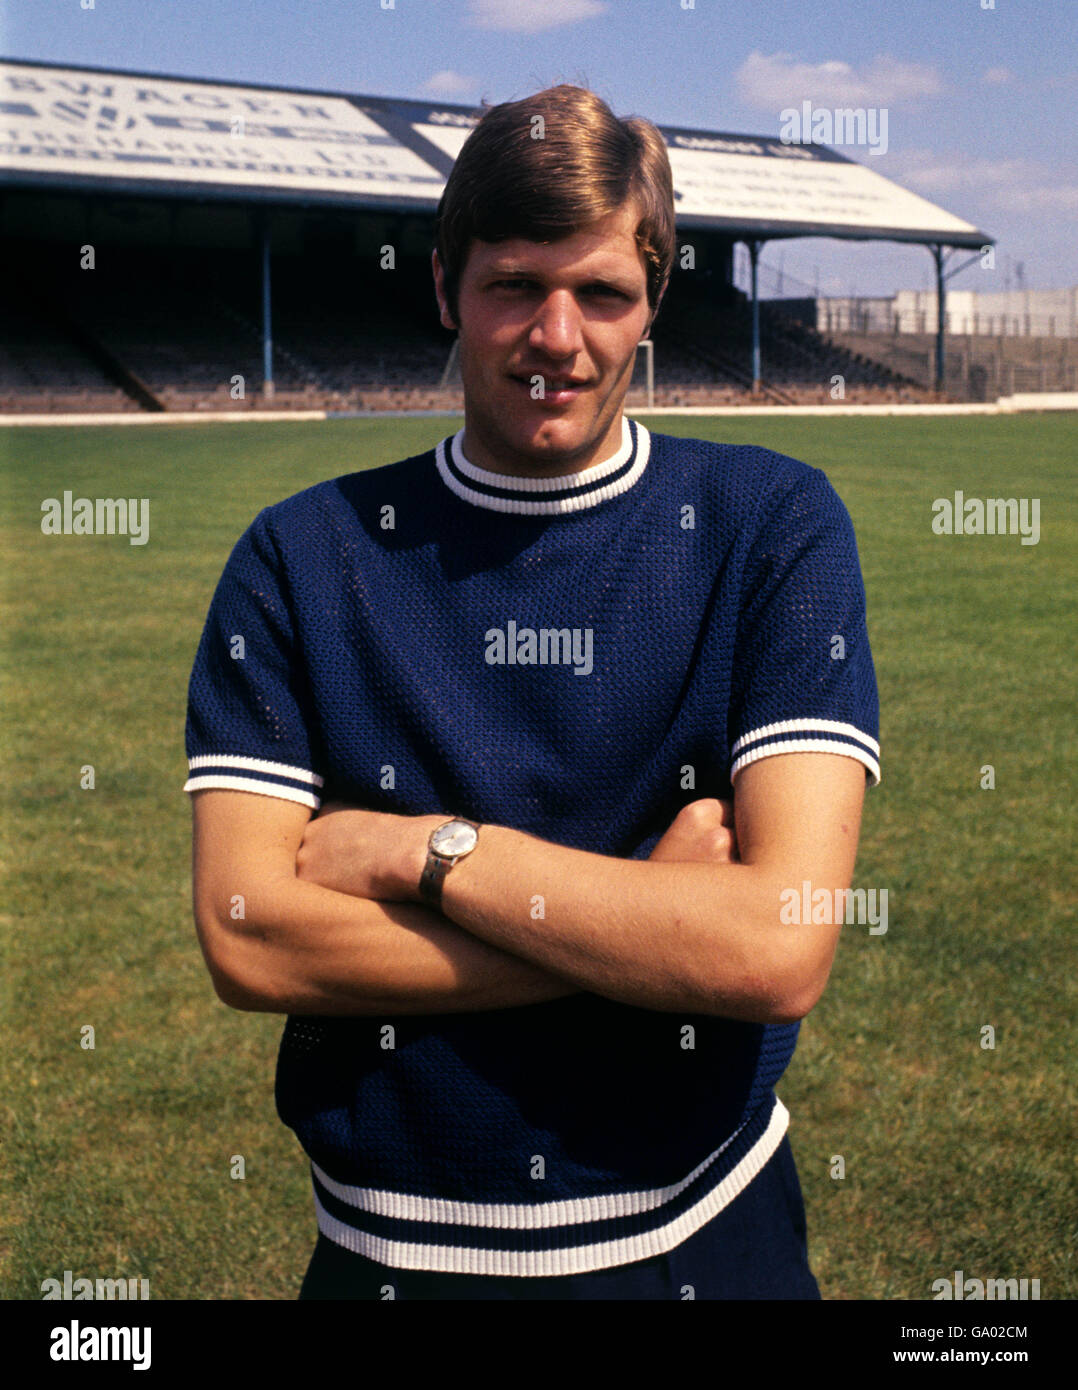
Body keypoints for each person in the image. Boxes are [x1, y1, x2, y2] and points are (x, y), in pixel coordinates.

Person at [184, 84, 880, 1300]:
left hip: (703, 1249)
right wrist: (652, 929)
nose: (557, 336)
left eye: (601, 293)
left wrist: (426, 856)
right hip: (391, 1262)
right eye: (514, 285)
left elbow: (777, 943)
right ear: (447, 286)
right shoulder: (301, 557)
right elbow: (248, 936)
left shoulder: (768, 527)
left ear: (652, 303)